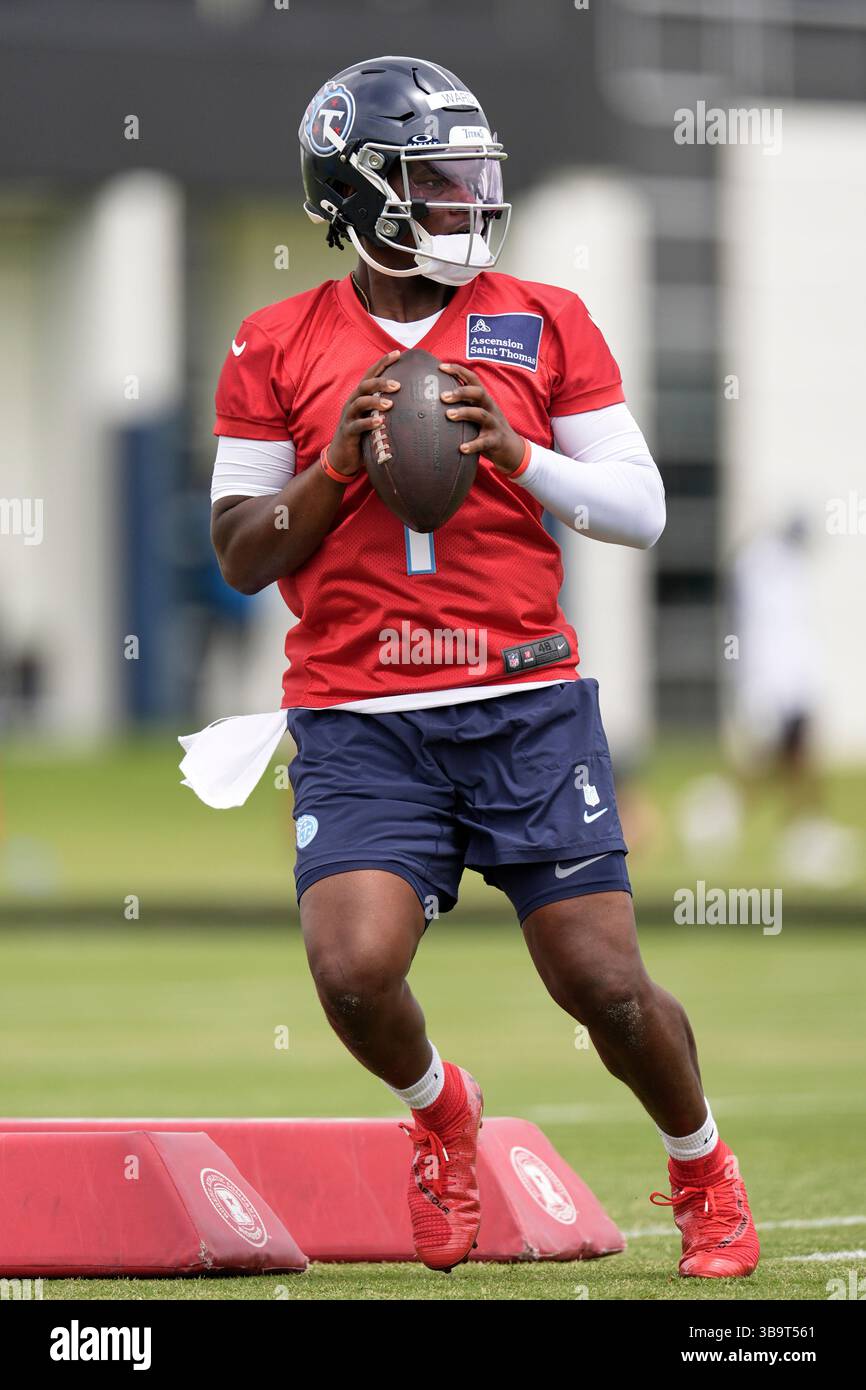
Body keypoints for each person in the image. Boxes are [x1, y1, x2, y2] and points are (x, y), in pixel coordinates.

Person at [202, 56, 759, 1278]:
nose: (466, 203)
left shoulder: (542, 315)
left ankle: (700, 1164)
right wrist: (333, 468)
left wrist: (517, 453)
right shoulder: (274, 340)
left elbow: (640, 509)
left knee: (603, 985)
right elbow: (241, 551)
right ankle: (440, 1111)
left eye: (473, 177)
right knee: (351, 974)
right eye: (435, 183)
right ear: (351, 198)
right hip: (361, 713)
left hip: (523, 704)